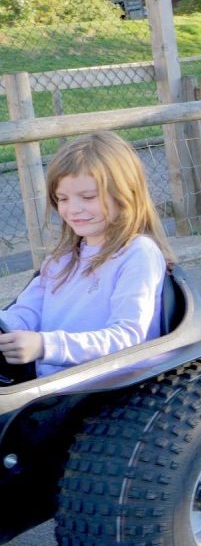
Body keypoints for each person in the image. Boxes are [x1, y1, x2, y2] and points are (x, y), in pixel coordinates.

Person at [0, 132, 173, 378]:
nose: (73, 209)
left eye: (88, 197)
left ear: (124, 194)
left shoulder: (137, 254)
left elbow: (128, 337)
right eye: (63, 199)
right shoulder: (61, 259)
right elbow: (27, 313)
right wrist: (7, 329)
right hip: (53, 386)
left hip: (110, 387)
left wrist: (46, 346)